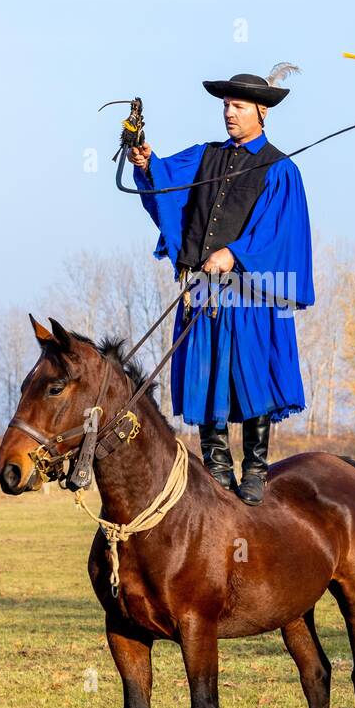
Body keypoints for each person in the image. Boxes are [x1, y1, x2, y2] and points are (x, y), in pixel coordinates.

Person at [129, 66, 315, 505]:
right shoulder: (205, 155)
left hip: (251, 297)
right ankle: (216, 466)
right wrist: (146, 162)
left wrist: (234, 254)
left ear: (261, 112)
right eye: (226, 105)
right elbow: (167, 181)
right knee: (204, 377)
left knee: (250, 380)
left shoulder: (281, 170)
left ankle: (254, 469)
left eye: (239, 106)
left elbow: (280, 231)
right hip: (202, 295)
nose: (229, 113)